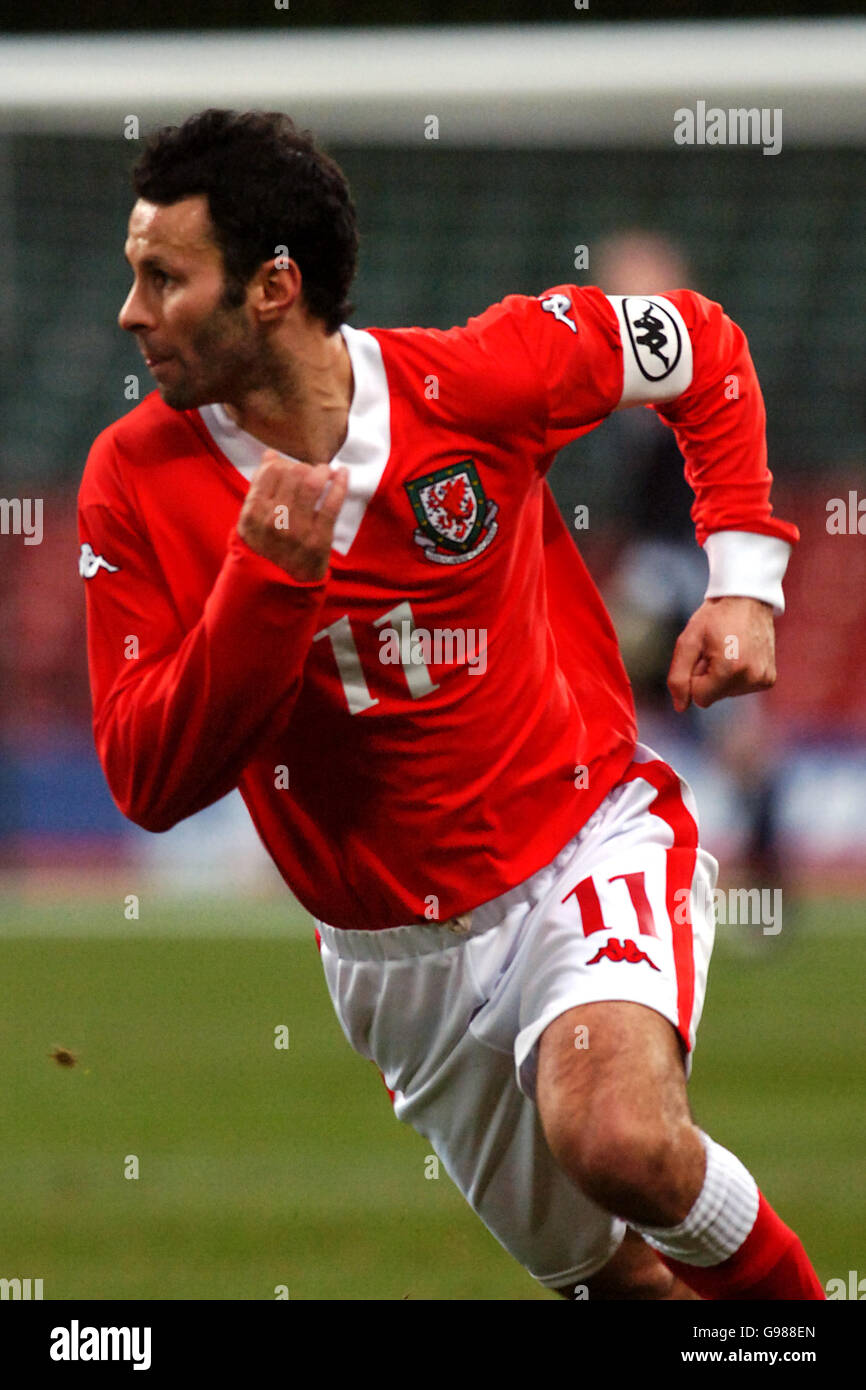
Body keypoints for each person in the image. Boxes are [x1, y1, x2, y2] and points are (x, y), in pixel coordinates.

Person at [78, 109, 823, 1300]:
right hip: (393, 957)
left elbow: (700, 347)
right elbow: (148, 777)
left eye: (164, 277)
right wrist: (266, 585)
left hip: (581, 838)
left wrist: (744, 582)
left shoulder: (480, 375)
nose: (131, 311)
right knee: (623, 1285)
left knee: (621, 1139)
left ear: (272, 287)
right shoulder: (132, 478)